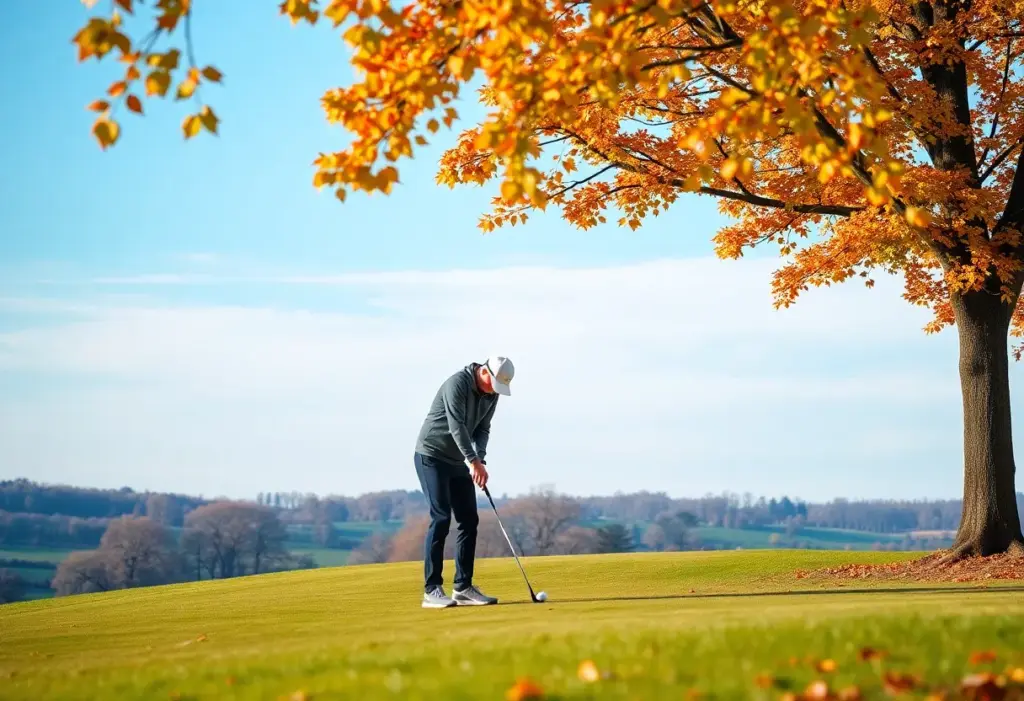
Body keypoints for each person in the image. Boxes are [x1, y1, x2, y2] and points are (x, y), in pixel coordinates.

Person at [413, 355, 515, 608]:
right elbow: (457, 426)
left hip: (460, 461)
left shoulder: (492, 393)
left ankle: (463, 587)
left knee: (469, 519)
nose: (495, 391)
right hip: (432, 455)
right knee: (441, 517)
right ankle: (431, 589)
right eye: (493, 384)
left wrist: (479, 459)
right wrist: (474, 462)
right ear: (484, 373)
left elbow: (483, 429)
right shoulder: (456, 384)